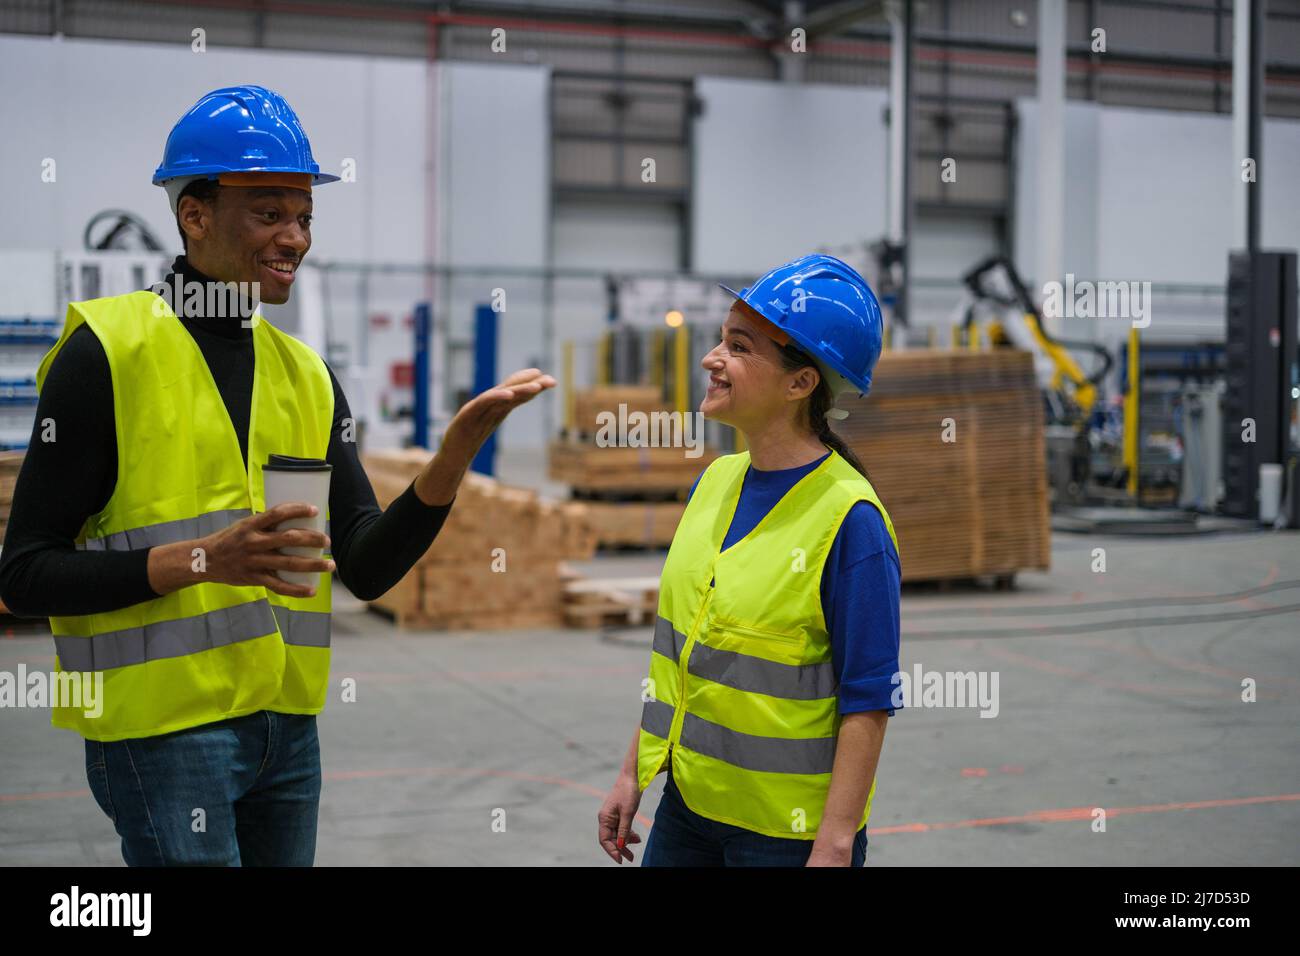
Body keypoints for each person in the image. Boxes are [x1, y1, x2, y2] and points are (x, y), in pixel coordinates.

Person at [0, 85, 554, 866]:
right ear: (195, 215)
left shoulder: (306, 375)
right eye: (269, 214)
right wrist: (200, 562)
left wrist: (454, 456)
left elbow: (362, 566)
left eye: (304, 217)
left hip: (286, 731)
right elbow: (24, 574)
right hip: (160, 735)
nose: (294, 237)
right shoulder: (108, 356)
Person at [596, 253, 901, 867]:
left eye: (739, 347)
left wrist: (836, 844)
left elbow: (867, 696)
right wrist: (633, 772)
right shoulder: (715, 483)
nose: (712, 358)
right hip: (688, 809)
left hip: (785, 834)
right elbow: (683, 659)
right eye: (720, 340)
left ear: (800, 383)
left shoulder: (850, 520)